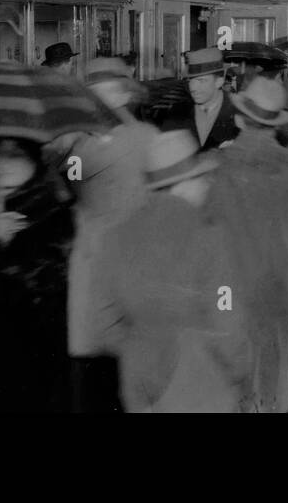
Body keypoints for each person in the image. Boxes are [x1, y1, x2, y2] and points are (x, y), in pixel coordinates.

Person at [98, 127, 251, 412]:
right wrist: (239, 369)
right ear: (183, 183)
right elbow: (226, 313)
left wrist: (140, 350)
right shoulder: (209, 236)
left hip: (138, 381)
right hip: (199, 381)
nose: (207, 184)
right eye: (201, 178)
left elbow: (105, 324)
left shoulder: (116, 234)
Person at [208, 75, 288, 412]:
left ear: (239, 119)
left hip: (226, 291)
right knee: (274, 382)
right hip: (280, 289)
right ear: (277, 123)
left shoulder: (216, 168)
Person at [0, 136, 75, 413]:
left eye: (15, 157)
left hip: (33, 349)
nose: (4, 165)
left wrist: (3, 246)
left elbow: (52, 280)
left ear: (33, 161)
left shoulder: (51, 207)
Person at [62, 57, 154, 413]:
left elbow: (70, 184)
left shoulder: (95, 144)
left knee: (99, 379)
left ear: (119, 94)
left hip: (104, 270)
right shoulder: (146, 137)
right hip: (129, 272)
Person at [169, 47, 238, 152]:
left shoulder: (240, 113)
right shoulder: (177, 112)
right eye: (190, 80)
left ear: (219, 81)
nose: (193, 88)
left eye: (201, 81)